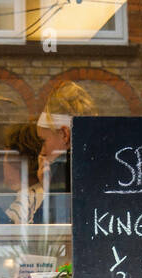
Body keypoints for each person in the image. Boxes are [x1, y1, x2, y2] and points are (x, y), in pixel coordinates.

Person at [36, 81, 94, 223]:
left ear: (64, 134)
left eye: (43, 141)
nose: (42, 151)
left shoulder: (65, 169)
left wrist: (51, 187)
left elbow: (45, 230)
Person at [0, 122, 45, 226]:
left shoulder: (24, 203)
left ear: (16, 160)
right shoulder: (41, 194)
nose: (3, 162)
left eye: (4, 155)